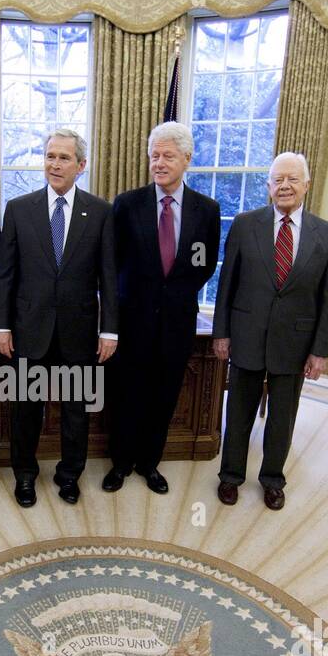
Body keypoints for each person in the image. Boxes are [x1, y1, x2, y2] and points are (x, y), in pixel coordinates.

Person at [0, 128, 118, 507]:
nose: (54, 164)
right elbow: (5, 273)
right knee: (26, 410)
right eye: (49, 156)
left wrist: (109, 330)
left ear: (81, 165)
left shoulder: (100, 212)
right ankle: (25, 476)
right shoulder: (19, 208)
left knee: (76, 412)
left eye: (63, 158)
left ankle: (69, 476)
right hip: (29, 330)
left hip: (79, 332)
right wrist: (1, 325)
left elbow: (108, 276)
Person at [212, 151, 328, 510]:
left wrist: (321, 351)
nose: (284, 186)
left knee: (283, 418)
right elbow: (227, 284)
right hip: (246, 334)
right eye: (278, 180)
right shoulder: (244, 224)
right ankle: (230, 477)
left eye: (292, 179)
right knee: (238, 412)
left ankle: (272, 480)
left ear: (306, 185)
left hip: (295, 342)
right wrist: (221, 333)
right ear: (268, 186)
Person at [103, 121, 220, 495]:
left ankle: (149, 463)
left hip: (176, 323)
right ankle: (120, 463)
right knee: (125, 395)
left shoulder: (207, 209)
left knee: (164, 395)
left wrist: (176, 293)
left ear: (186, 159)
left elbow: (204, 262)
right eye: (154, 155)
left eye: (167, 155)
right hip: (132, 320)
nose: (159, 162)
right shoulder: (127, 204)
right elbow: (113, 262)